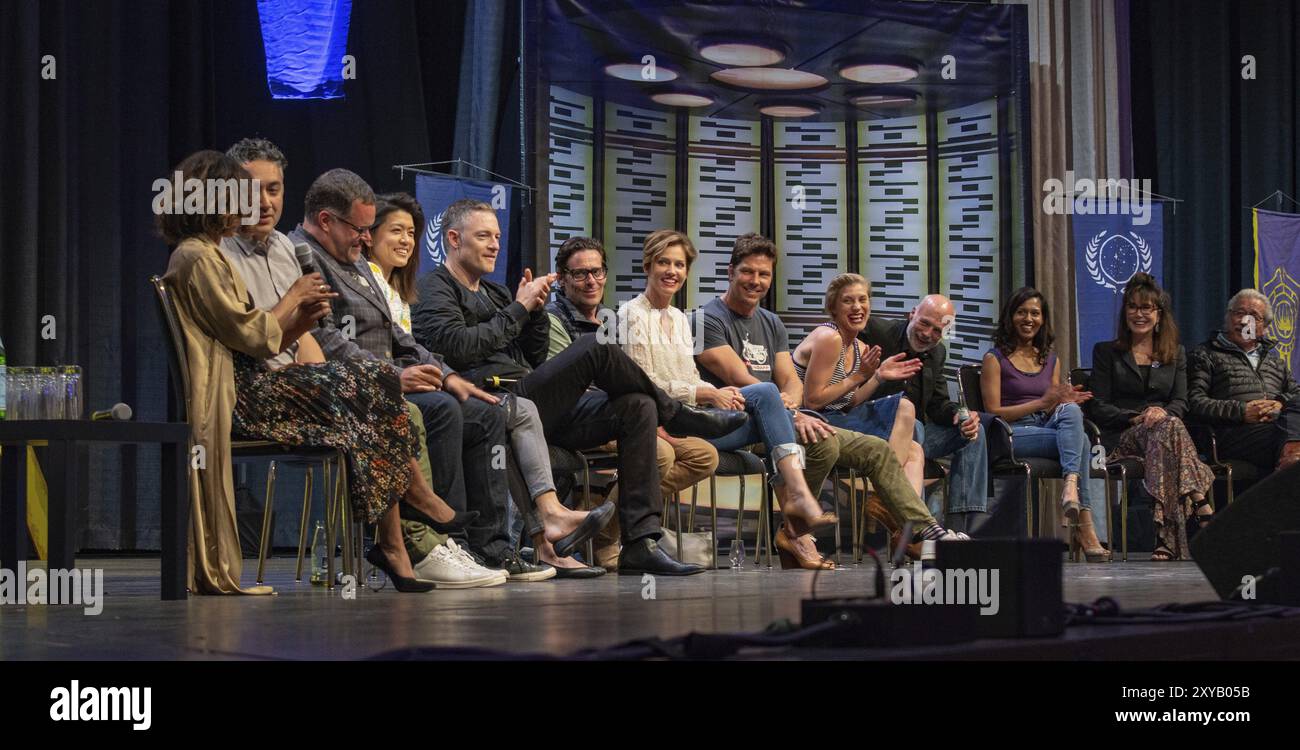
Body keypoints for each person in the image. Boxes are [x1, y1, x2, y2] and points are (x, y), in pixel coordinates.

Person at [160, 150, 469, 593]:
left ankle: (395, 538)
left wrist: (307, 332)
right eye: (240, 194)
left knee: (367, 394)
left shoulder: (219, 253)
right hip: (246, 395)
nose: (252, 204)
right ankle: (410, 504)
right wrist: (295, 302)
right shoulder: (198, 257)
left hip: (272, 383)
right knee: (374, 387)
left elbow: (279, 338)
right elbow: (251, 336)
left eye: (269, 190)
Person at [289, 171, 601, 582]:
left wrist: (455, 370)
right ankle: (442, 540)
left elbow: (410, 340)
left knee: (484, 411)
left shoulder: (487, 291)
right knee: (455, 407)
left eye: (408, 232)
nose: (368, 239)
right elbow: (326, 336)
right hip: (354, 387)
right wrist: (517, 313)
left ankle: (491, 547)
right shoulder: (316, 257)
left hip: (463, 383)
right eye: (373, 230)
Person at [412, 199, 746, 576]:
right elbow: (458, 348)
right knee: (595, 345)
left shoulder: (496, 292)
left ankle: (640, 542)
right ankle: (678, 413)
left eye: (497, 236)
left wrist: (533, 314)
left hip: (535, 401)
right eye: (484, 236)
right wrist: (521, 310)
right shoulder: (432, 289)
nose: (494, 245)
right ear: (454, 239)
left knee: (637, 405)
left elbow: (533, 354)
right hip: (494, 400)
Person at [695, 233, 968, 558]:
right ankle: (797, 526)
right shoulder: (704, 320)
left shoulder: (771, 323)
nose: (756, 281)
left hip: (785, 421)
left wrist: (873, 377)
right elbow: (746, 382)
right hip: (734, 424)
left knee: (885, 449)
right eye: (748, 272)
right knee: (811, 423)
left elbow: (791, 384)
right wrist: (794, 411)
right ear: (730, 272)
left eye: (764, 274)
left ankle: (920, 529)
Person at [619, 229, 834, 569]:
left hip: (697, 417)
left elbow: (689, 376)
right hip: (669, 419)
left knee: (781, 414)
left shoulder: (676, 317)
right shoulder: (632, 315)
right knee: (765, 394)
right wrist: (706, 392)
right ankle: (796, 501)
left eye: (679, 264)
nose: (672, 271)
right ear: (648, 265)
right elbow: (645, 382)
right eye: (664, 262)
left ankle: (794, 510)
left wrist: (715, 395)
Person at [547, 236, 718, 570]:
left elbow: (681, 375)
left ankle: (607, 524)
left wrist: (715, 394)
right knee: (660, 453)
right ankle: (612, 536)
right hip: (587, 419)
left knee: (705, 456)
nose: (591, 280)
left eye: (597, 272)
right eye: (581, 274)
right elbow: (639, 380)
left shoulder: (612, 318)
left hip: (628, 414)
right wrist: (695, 400)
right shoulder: (621, 316)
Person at [1090, 273, 1213, 561]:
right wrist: (1136, 417)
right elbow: (1098, 406)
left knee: (1166, 429)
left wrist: (1163, 413)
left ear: (1159, 315)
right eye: (1132, 307)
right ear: (1125, 313)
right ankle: (1199, 501)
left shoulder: (1175, 353)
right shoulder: (1107, 352)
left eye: (1146, 308)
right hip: (1122, 436)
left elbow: (1181, 401)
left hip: (1164, 437)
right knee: (1167, 430)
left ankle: (1164, 540)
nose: (1139, 313)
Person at [980, 287, 1108, 561]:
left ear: (1043, 319)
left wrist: (1061, 401)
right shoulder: (995, 358)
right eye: (1022, 312)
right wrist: (1042, 402)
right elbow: (992, 412)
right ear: (1010, 317)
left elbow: (1052, 408)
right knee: (1081, 442)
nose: (1028, 319)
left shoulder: (1050, 359)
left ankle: (1071, 486)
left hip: (1045, 428)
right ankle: (1085, 529)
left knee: (1072, 411)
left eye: (1035, 313)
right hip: (1011, 434)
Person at [859, 292, 990, 530]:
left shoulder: (937, 353)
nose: (928, 334)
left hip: (916, 434)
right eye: (924, 323)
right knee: (914, 424)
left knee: (973, 434)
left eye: (938, 331)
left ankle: (963, 528)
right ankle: (913, 526)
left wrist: (962, 415)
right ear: (912, 314)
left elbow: (938, 404)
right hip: (871, 428)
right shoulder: (877, 332)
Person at [792, 273, 927, 501]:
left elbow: (849, 401)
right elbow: (812, 401)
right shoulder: (829, 338)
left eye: (862, 300)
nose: (857, 307)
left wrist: (878, 377)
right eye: (848, 301)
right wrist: (858, 377)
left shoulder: (859, 346)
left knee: (915, 448)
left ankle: (901, 525)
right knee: (904, 410)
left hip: (837, 417)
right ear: (833, 308)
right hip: (811, 422)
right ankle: (886, 501)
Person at [1187, 288, 1300, 476]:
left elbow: (1296, 396)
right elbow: (1194, 402)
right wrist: (1242, 411)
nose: (1244, 321)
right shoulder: (1205, 354)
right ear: (1228, 318)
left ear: (1265, 328)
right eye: (1239, 313)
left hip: (1278, 428)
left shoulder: (1275, 362)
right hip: (1233, 433)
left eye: (1254, 316)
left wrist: (1280, 403)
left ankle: (1292, 457)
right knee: (1286, 437)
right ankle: (1292, 459)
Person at [363, 192, 421, 335]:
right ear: (369, 236)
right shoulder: (359, 282)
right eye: (396, 230)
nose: (406, 240)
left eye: (411, 233)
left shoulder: (399, 294)